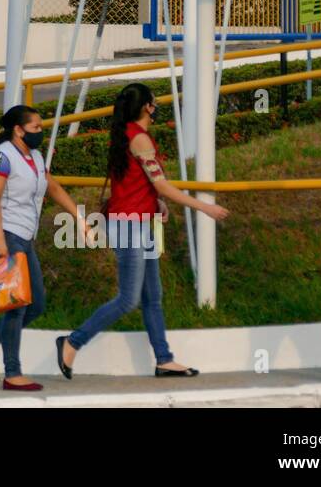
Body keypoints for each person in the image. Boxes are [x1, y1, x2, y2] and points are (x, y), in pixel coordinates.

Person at [56, 83, 229, 380]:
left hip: (138, 220)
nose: (156, 104)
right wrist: (204, 208)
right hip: (129, 225)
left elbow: (135, 183)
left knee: (153, 296)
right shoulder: (139, 140)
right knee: (128, 299)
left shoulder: (127, 134)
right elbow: (160, 183)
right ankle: (72, 342)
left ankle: (164, 359)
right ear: (147, 107)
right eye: (154, 101)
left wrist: (156, 202)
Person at [0, 105, 88, 391]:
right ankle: (12, 373)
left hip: (23, 237)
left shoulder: (33, 155)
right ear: (18, 130)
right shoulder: (1, 156)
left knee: (37, 304)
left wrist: (79, 218)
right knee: (16, 307)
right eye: (35, 128)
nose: (40, 133)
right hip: (6, 235)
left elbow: (53, 187)